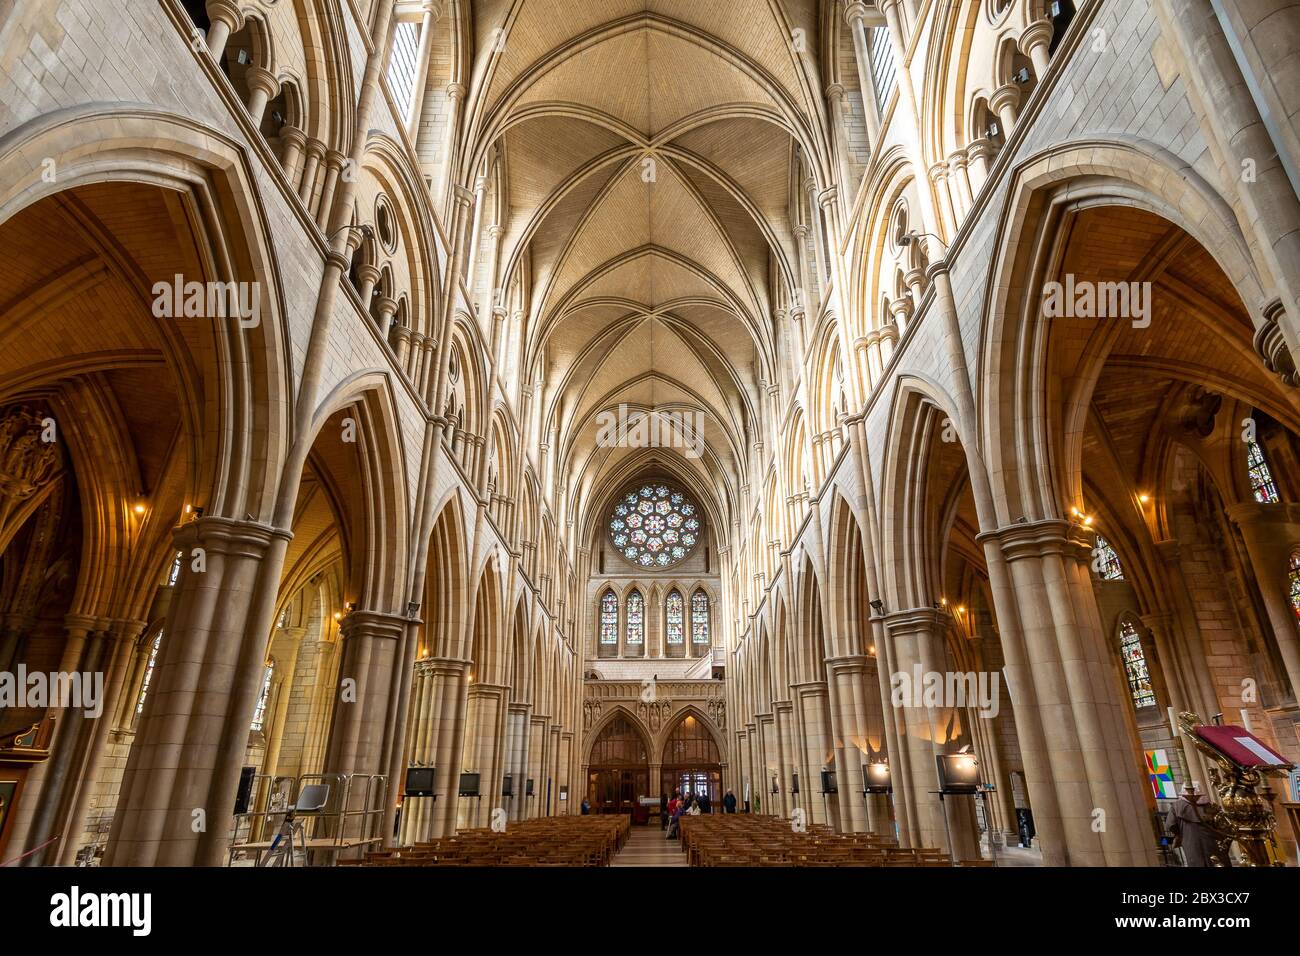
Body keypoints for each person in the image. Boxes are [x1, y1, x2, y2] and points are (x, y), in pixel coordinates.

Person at [1166, 781, 1219, 867]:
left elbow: (1170, 824)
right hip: (1210, 841)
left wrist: (1179, 834)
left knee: (1196, 861)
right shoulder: (1207, 805)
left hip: (1189, 840)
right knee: (1214, 861)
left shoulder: (1177, 806)